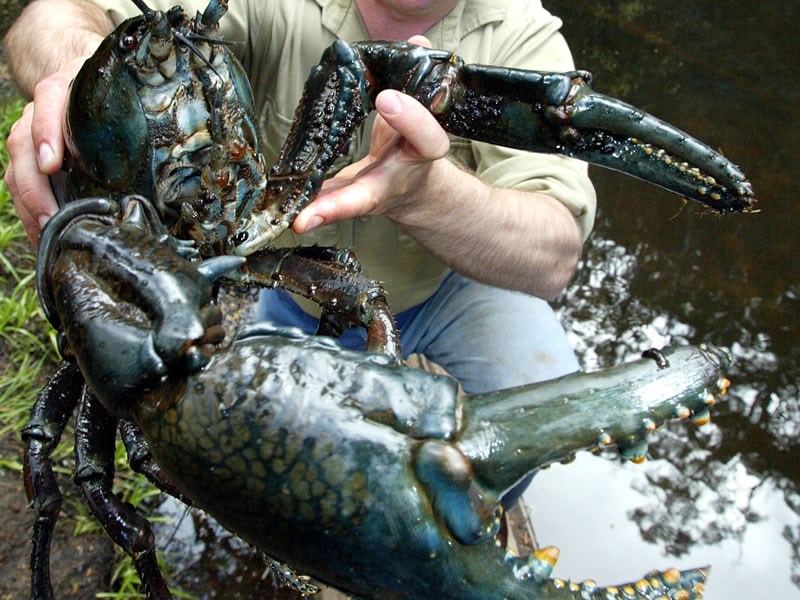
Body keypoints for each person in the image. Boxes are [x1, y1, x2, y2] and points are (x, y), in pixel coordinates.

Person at [5, 0, 595, 395]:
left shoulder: (524, 33)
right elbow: (47, 14)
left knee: (546, 385)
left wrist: (428, 195)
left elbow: (555, 253)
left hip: (449, 291)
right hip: (283, 279)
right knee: (249, 434)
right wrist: (85, 85)